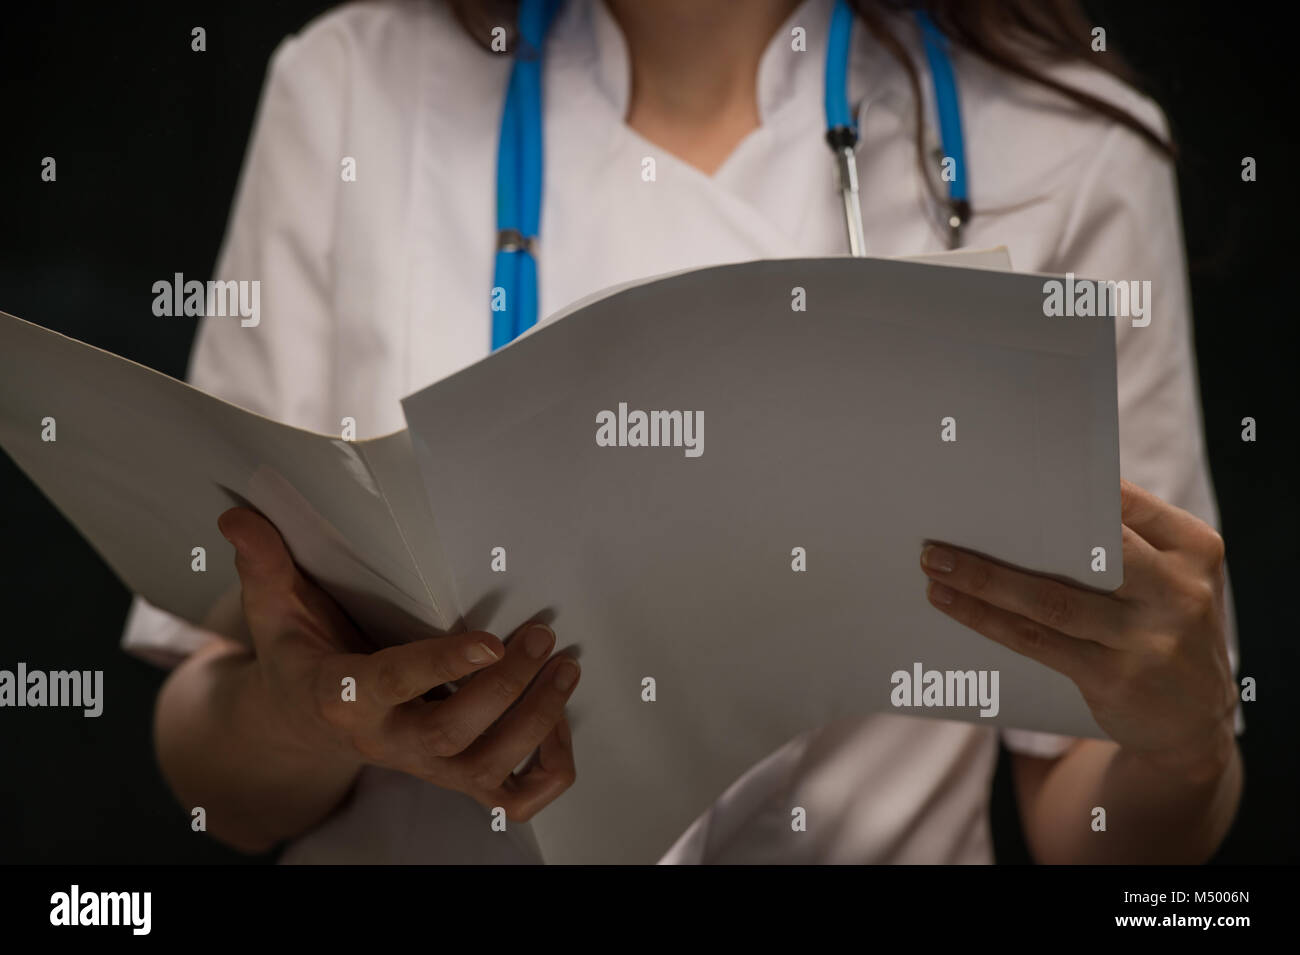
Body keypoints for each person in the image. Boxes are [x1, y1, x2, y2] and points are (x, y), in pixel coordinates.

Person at [124, 0, 1242, 863]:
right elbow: (215, 781)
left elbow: (1092, 829)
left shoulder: (1072, 151)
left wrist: (1185, 741)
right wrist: (306, 713)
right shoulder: (351, 89)